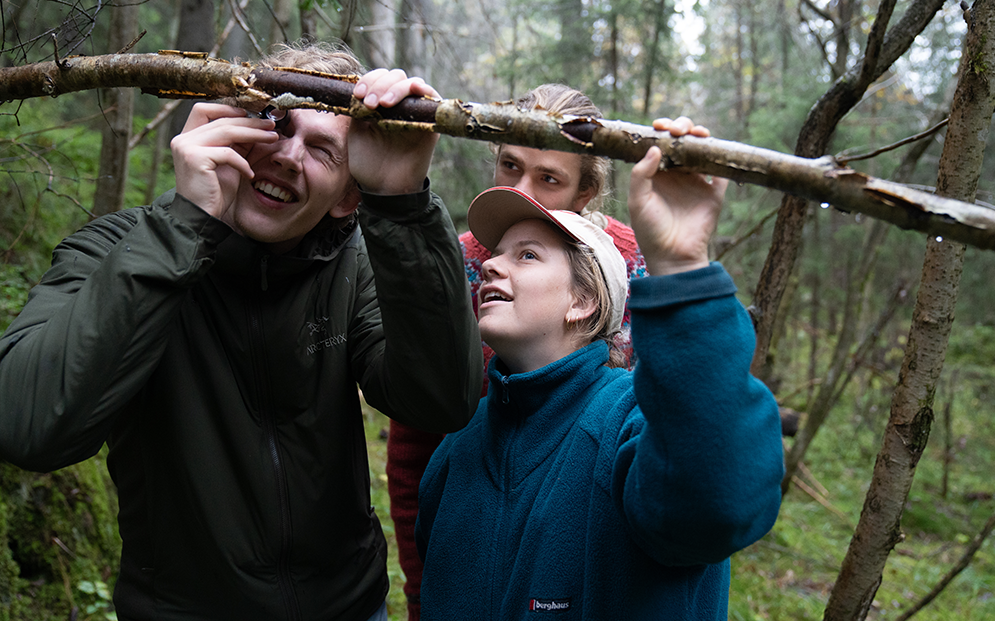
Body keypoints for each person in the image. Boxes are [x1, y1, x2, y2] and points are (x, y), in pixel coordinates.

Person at [0, 42, 481, 621]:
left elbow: (438, 400)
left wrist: (400, 204)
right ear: (225, 126)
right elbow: (29, 427)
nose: (289, 156)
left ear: (346, 198)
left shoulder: (355, 265)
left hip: (348, 608)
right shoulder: (117, 247)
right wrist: (183, 227)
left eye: (323, 151)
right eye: (276, 124)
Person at [414, 133, 785, 620]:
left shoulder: (633, 426)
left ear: (583, 301)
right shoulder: (457, 449)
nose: (489, 266)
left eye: (527, 255)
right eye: (496, 253)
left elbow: (717, 504)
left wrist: (681, 269)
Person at [385, 84, 677, 620]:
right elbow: (416, 441)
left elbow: (673, 435)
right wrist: (424, 588)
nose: (524, 190)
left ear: (586, 192)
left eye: (549, 178)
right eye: (510, 166)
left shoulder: (637, 268)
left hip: (590, 521)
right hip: (476, 510)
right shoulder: (464, 264)